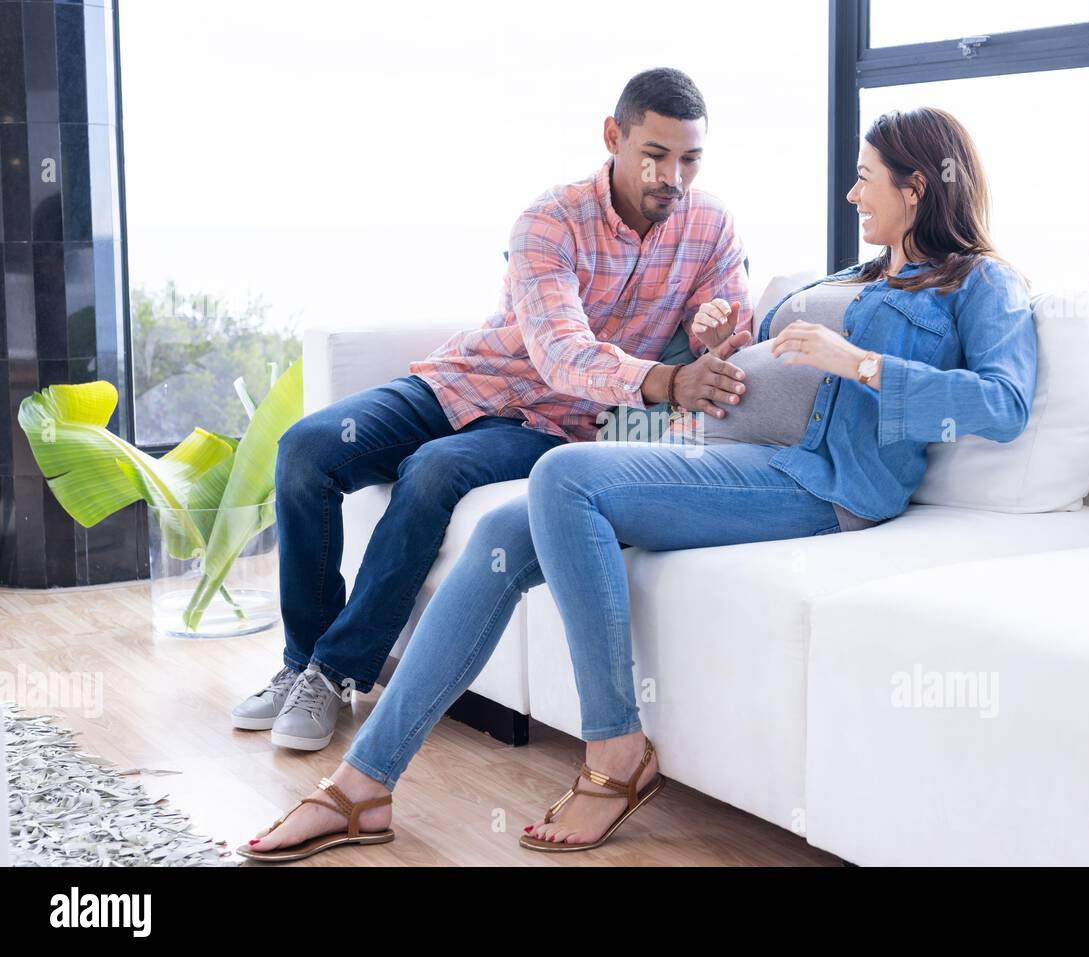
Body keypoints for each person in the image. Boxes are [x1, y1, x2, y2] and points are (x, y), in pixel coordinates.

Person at [238, 106, 1037, 861]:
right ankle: (362, 786)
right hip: (715, 447)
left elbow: (1002, 405)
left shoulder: (979, 284)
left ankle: (617, 753)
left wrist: (856, 361)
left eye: (867, 177)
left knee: (563, 476)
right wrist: (722, 335)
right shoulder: (853, 272)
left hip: (819, 484)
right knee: (500, 534)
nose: (852, 191)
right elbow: (753, 351)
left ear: (918, 187)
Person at [230, 67, 753, 752]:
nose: (672, 178)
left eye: (689, 159)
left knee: (433, 472)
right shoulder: (551, 219)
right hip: (470, 378)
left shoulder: (709, 224)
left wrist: (717, 330)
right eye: (655, 155)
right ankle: (300, 662)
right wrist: (663, 380)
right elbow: (561, 352)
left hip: (553, 424)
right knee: (306, 449)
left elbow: (734, 330)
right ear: (612, 138)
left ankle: (332, 673)